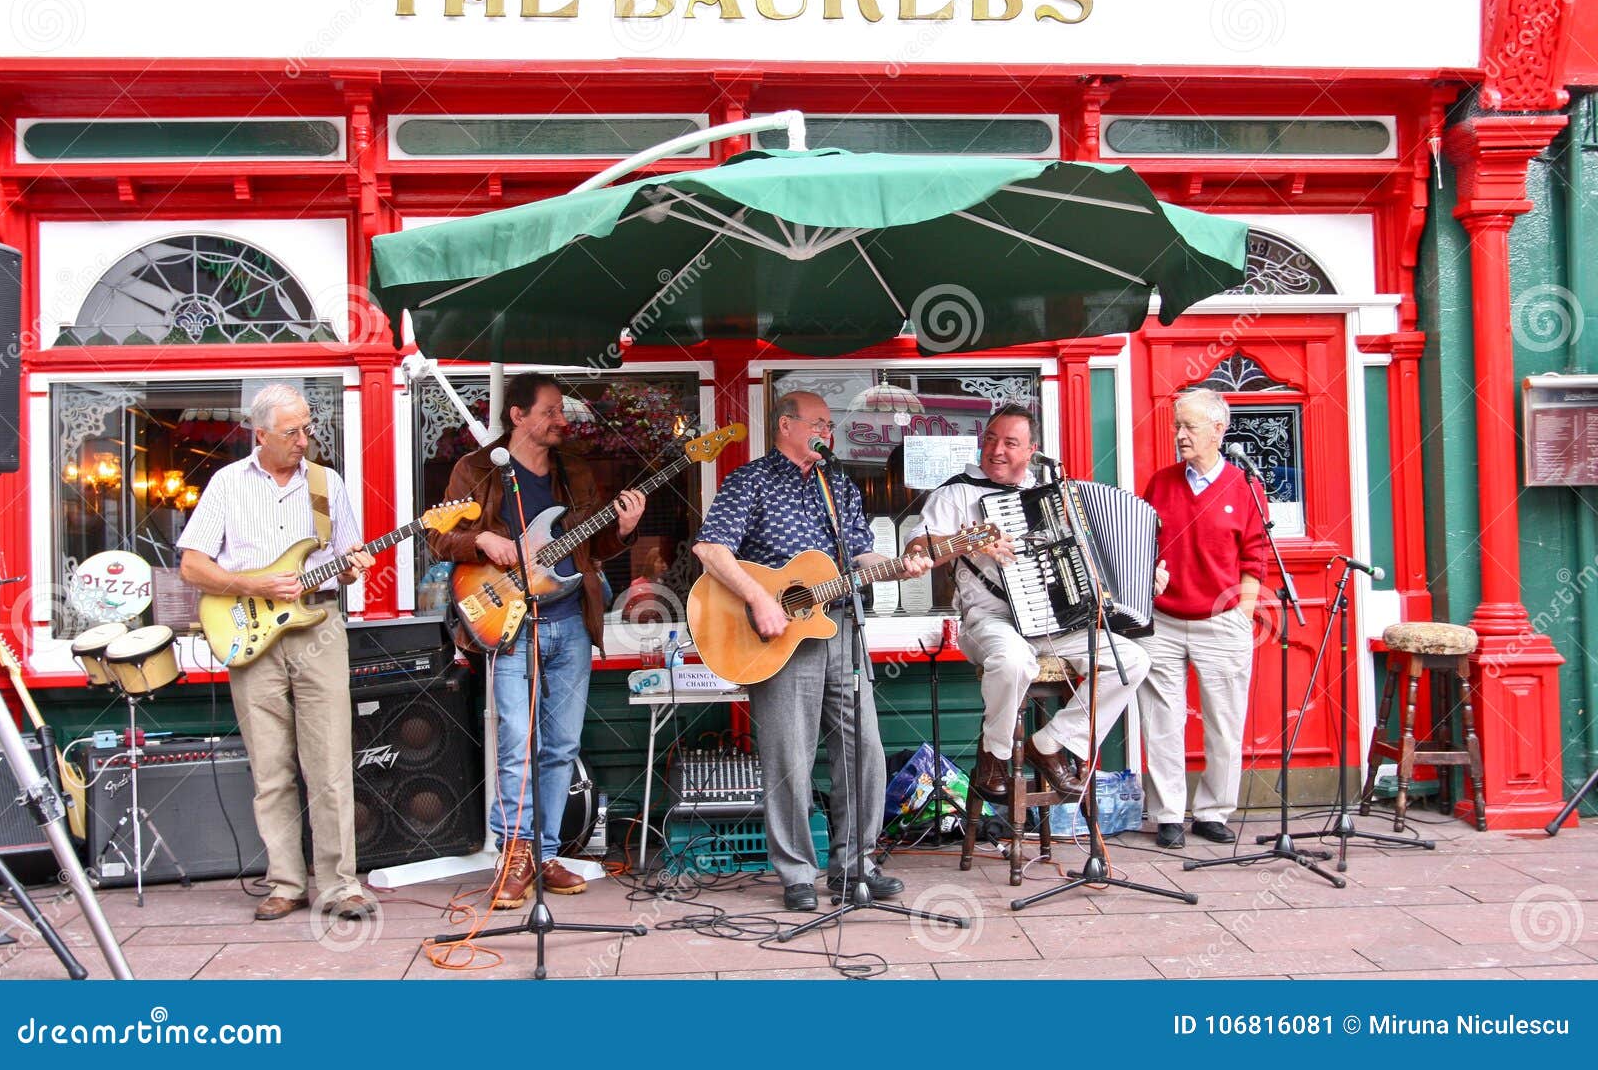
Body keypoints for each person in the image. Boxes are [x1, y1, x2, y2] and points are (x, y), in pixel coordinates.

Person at [693, 391, 931, 912]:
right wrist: (760, 598)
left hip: (840, 626)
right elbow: (710, 549)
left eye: (830, 422)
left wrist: (899, 564)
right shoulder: (750, 481)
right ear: (787, 425)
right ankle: (797, 873)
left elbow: (860, 550)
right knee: (788, 760)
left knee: (863, 750)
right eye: (820, 421)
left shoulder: (836, 482)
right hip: (777, 639)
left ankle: (855, 866)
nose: (829, 430)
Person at [429, 373, 644, 905]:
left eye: (562, 411)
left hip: (570, 622)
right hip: (508, 624)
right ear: (518, 416)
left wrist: (623, 529)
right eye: (550, 411)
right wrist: (479, 539)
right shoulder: (476, 469)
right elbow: (436, 536)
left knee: (561, 746)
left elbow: (590, 554)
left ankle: (545, 854)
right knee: (517, 746)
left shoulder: (576, 473)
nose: (561, 420)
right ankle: (514, 855)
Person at [177, 384, 376, 922]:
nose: (303, 439)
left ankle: (339, 886)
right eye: (292, 432)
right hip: (251, 632)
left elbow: (348, 556)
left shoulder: (325, 482)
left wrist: (355, 564)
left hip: (320, 626)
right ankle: (286, 882)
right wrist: (254, 586)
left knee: (332, 763)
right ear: (259, 434)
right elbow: (193, 566)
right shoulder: (226, 483)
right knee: (271, 768)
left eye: (307, 428)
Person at [909, 405, 1165, 802]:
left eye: (1010, 443)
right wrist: (967, 542)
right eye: (991, 439)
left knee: (1132, 662)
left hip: (1050, 622)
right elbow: (917, 548)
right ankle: (994, 756)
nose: (996, 450)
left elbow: (1096, 556)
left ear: (1032, 450)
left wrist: (1147, 577)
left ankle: (1049, 742)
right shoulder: (956, 492)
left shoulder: (1055, 495)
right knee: (1014, 661)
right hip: (989, 620)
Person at [1137, 388, 1269, 849]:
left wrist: (1243, 614)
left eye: (1189, 426)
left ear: (1219, 429)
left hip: (1223, 620)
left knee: (1225, 724)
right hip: (1164, 621)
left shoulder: (1246, 487)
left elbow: (1255, 559)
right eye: (1177, 426)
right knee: (1161, 721)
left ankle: (1213, 811)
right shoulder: (1161, 483)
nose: (1180, 435)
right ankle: (1169, 813)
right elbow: (1141, 544)